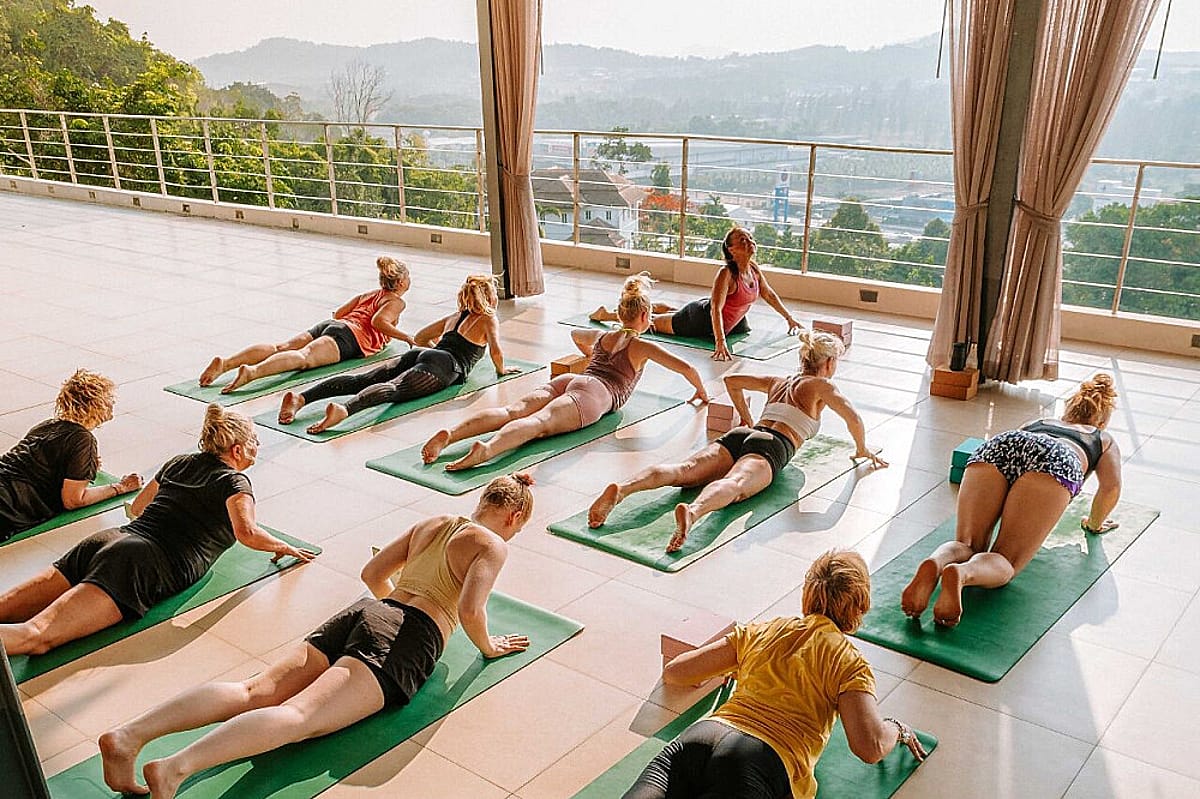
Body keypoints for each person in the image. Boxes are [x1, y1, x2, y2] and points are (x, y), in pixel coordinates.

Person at [97, 473, 538, 799]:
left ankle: (129, 735)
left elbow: (372, 573)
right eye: (518, 527)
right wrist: (489, 646)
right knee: (299, 718)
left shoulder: (436, 521)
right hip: (409, 633)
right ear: (514, 516)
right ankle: (176, 768)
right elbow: (469, 610)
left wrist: (387, 612)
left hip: (368, 610)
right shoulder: (492, 545)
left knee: (254, 690)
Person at [0, 405, 315, 656]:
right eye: (254, 441)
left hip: (108, 540)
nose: (258, 447)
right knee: (36, 637)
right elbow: (247, 533)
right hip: (137, 563)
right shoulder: (235, 482)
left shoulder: (179, 462)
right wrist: (283, 546)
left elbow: (138, 507)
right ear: (236, 450)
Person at [623, 550, 927, 799]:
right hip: (760, 761)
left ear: (808, 594)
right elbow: (869, 746)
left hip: (700, 738)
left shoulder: (762, 631)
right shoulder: (848, 661)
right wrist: (895, 727)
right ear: (860, 606)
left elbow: (677, 672)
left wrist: (735, 665)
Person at [588, 331, 886, 552]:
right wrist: (861, 448)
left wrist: (745, 418)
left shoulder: (778, 381)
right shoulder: (822, 385)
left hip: (740, 435)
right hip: (773, 445)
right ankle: (693, 513)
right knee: (736, 485)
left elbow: (732, 381)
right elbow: (853, 418)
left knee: (684, 469)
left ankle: (623, 489)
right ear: (830, 363)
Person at [421, 273, 710, 471]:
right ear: (646, 317)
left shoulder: (602, 337)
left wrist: (592, 359)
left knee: (513, 410)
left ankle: (450, 435)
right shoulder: (642, 346)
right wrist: (702, 392)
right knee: (537, 423)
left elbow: (576, 334)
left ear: (621, 313)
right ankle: (487, 450)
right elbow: (686, 367)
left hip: (573, 380)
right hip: (595, 394)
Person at [901, 373, 1122, 627]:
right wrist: (1094, 523)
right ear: (1102, 421)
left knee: (968, 543)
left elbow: (1015, 469)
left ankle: (938, 561)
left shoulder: (1042, 421)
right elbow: (1111, 488)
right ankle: (961, 574)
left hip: (1001, 445)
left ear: (1069, 411)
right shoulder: (1102, 438)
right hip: (1055, 460)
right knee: (1007, 559)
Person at [278, 274, 520, 434]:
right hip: (445, 365)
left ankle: (301, 398)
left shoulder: (454, 316)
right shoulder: (488, 318)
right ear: (489, 297)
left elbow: (422, 337)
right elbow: (496, 351)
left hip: (422, 354)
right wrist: (502, 370)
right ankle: (345, 410)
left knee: (362, 379)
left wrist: (434, 353)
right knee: (394, 389)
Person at [199, 256, 414, 394]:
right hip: (349, 337)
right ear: (402, 282)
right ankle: (252, 372)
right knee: (304, 358)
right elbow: (379, 321)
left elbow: (339, 313)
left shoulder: (368, 294)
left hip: (334, 325)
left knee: (281, 347)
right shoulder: (396, 301)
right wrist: (405, 337)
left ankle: (226, 363)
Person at [589, 227, 802, 361]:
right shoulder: (726, 274)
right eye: (742, 240)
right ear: (731, 250)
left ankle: (644, 304)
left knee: (670, 313)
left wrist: (789, 319)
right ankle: (606, 315)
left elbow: (769, 295)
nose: (749, 242)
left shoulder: (753, 268)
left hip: (713, 313)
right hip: (698, 319)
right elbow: (716, 310)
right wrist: (720, 341)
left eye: (749, 238)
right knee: (650, 323)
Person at [1, 369, 141, 542]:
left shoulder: (46, 425)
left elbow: (36, 463)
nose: (113, 403)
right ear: (96, 406)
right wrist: (121, 487)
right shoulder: (83, 439)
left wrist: (84, 467)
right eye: (109, 399)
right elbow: (74, 500)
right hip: (8, 504)